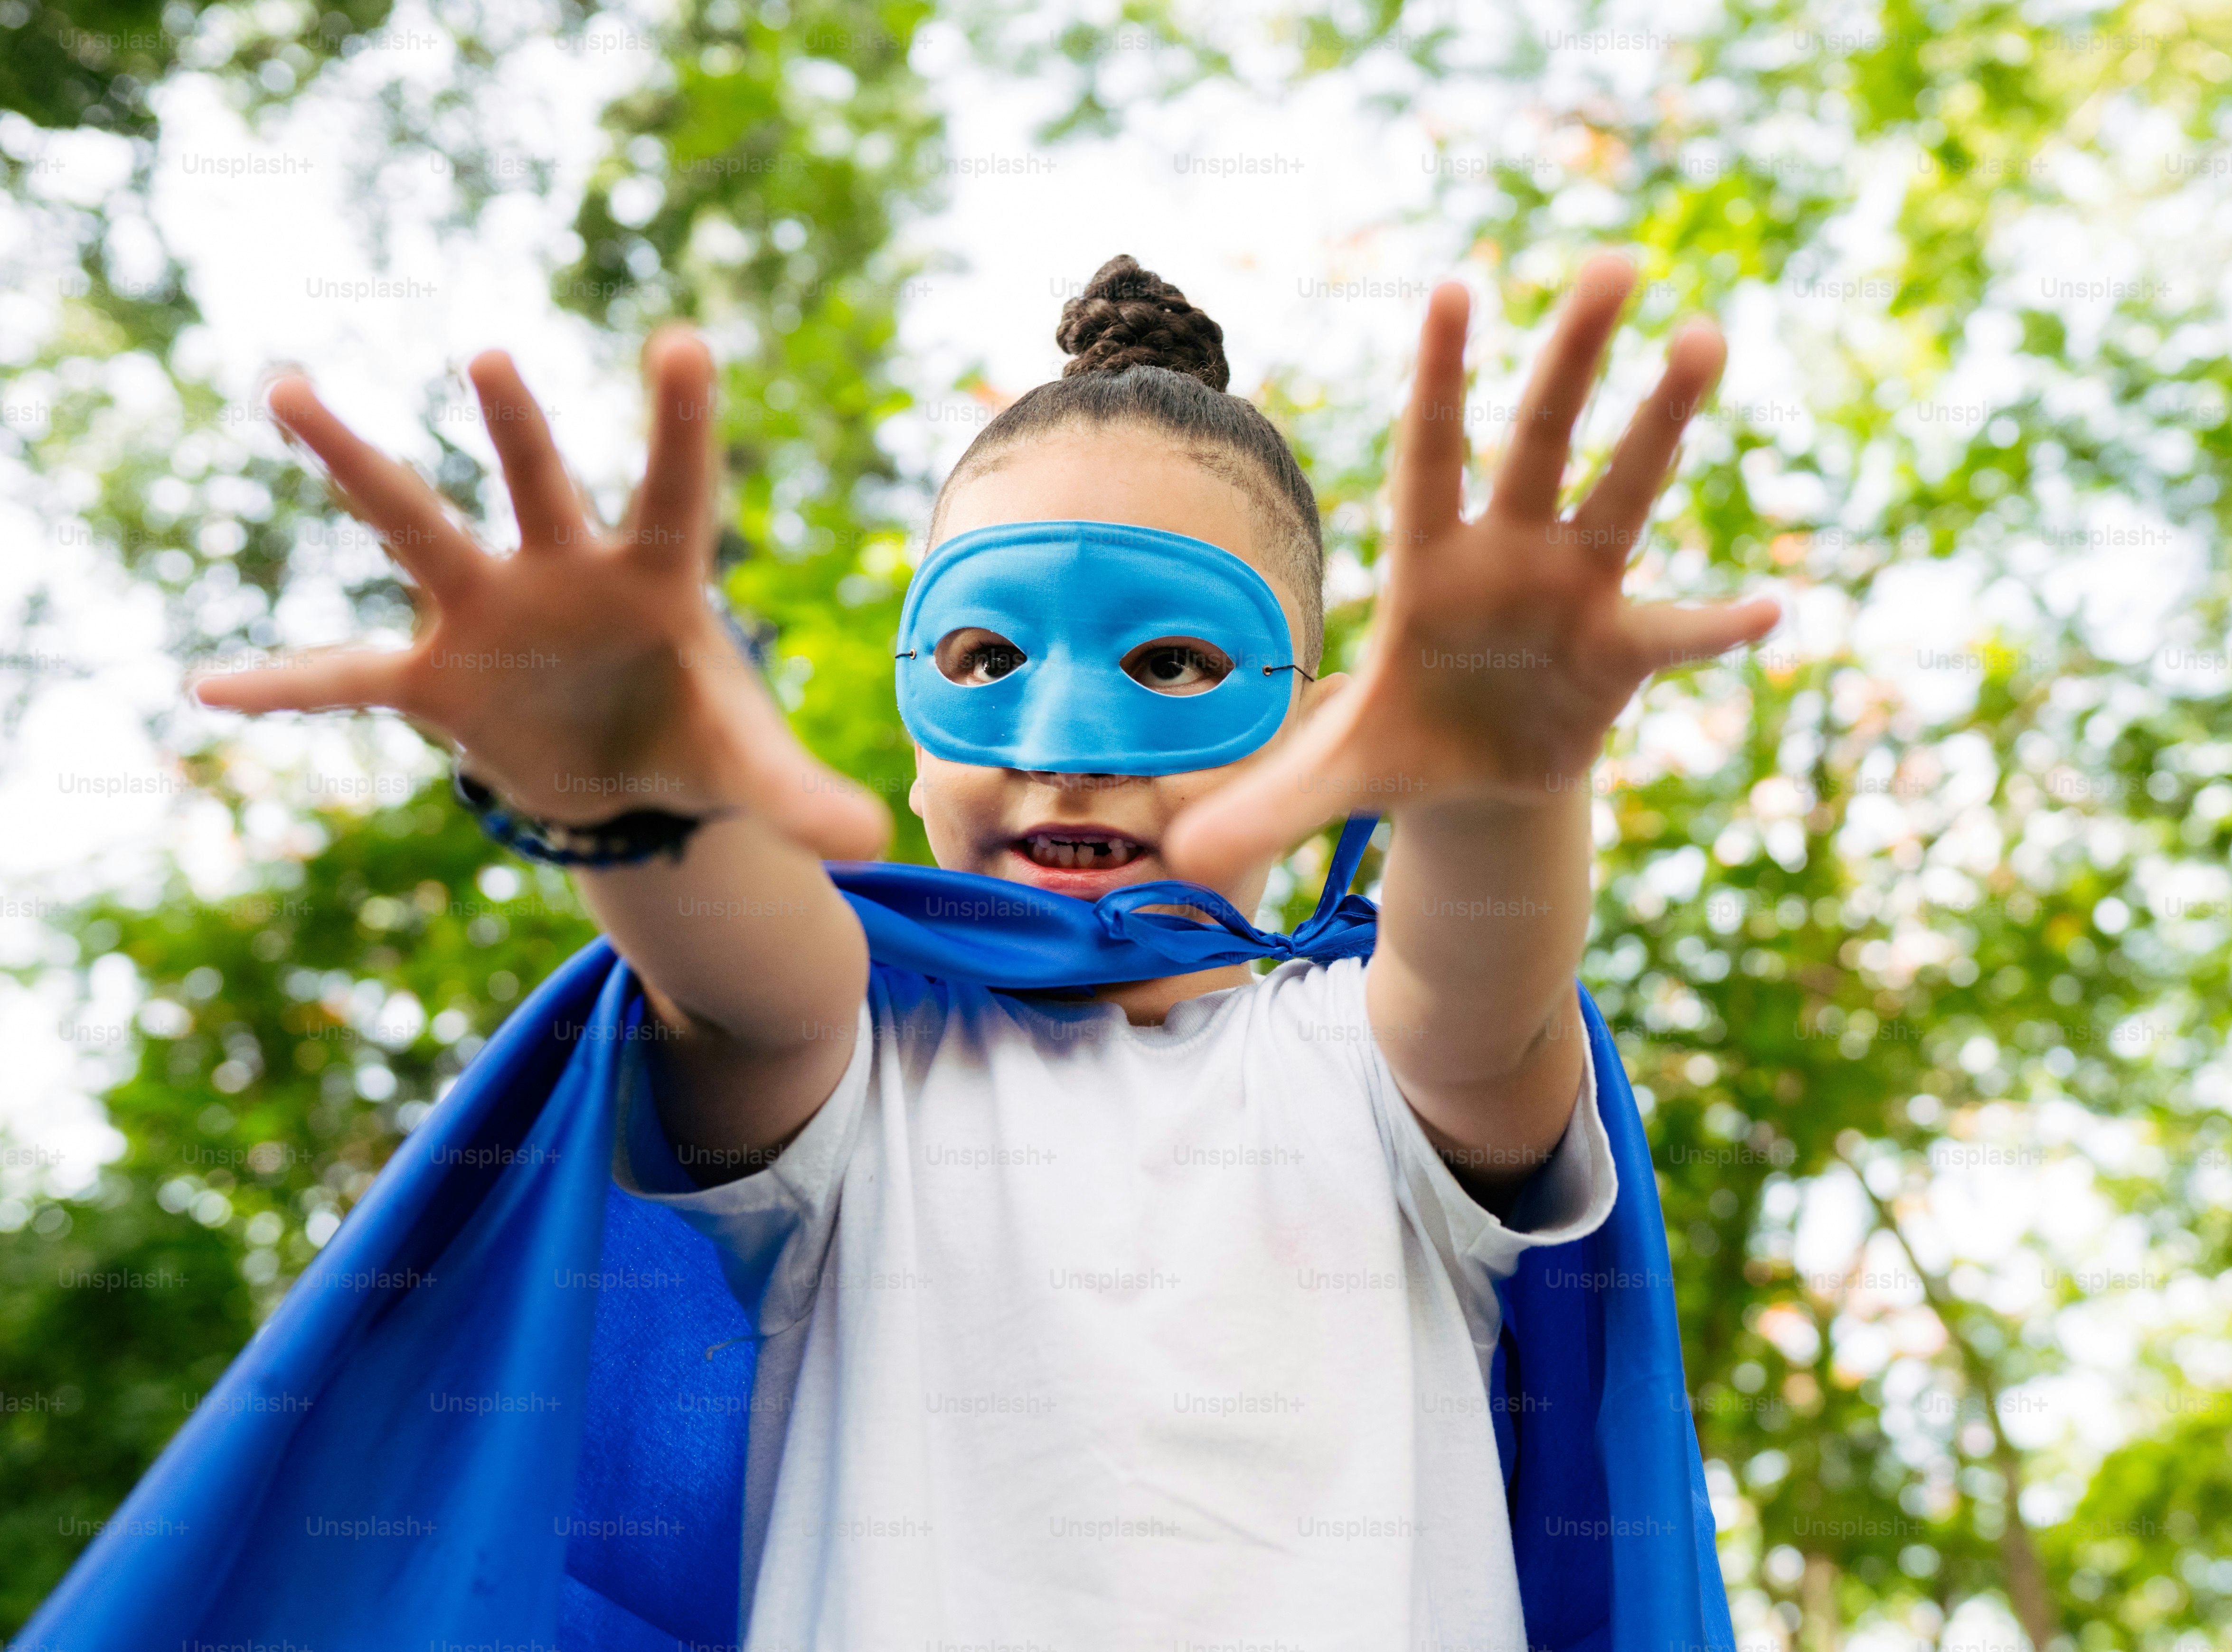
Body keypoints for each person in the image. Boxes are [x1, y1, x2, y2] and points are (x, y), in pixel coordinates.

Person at [177, 252, 1780, 1649]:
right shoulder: (862, 1064)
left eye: (1172, 663)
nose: (1064, 747)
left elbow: (1487, 997)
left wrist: (1505, 776)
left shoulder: (1371, 1058)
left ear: (1321, 720)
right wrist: (629, 793)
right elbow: (744, 973)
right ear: (914, 727)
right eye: (985, 655)